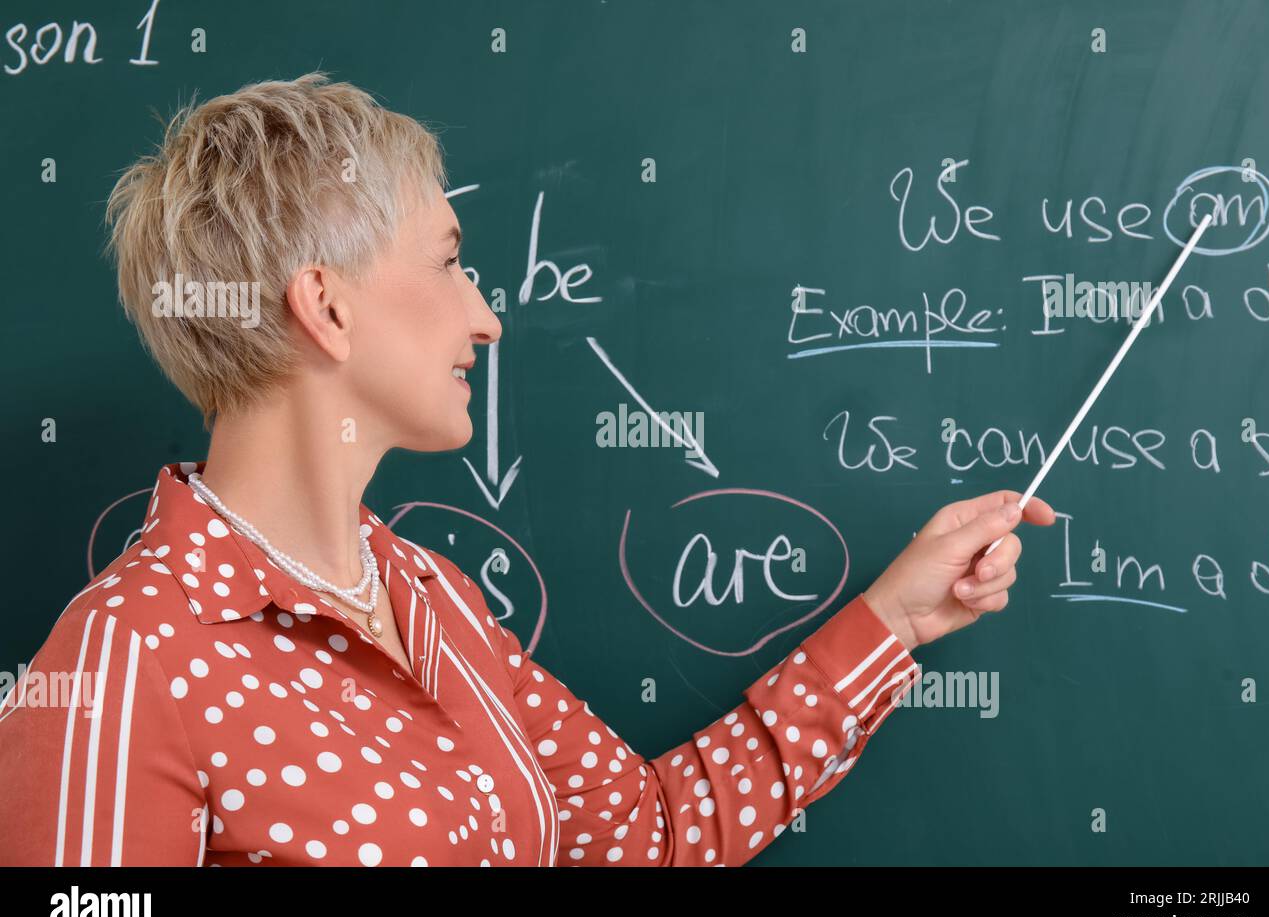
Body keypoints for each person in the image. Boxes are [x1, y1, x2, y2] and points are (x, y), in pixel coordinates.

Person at [0, 73, 1053, 867]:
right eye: (450, 258)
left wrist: (896, 619)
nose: (485, 315)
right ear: (326, 306)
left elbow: (652, 831)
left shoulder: (434, 603)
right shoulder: (125, 659)